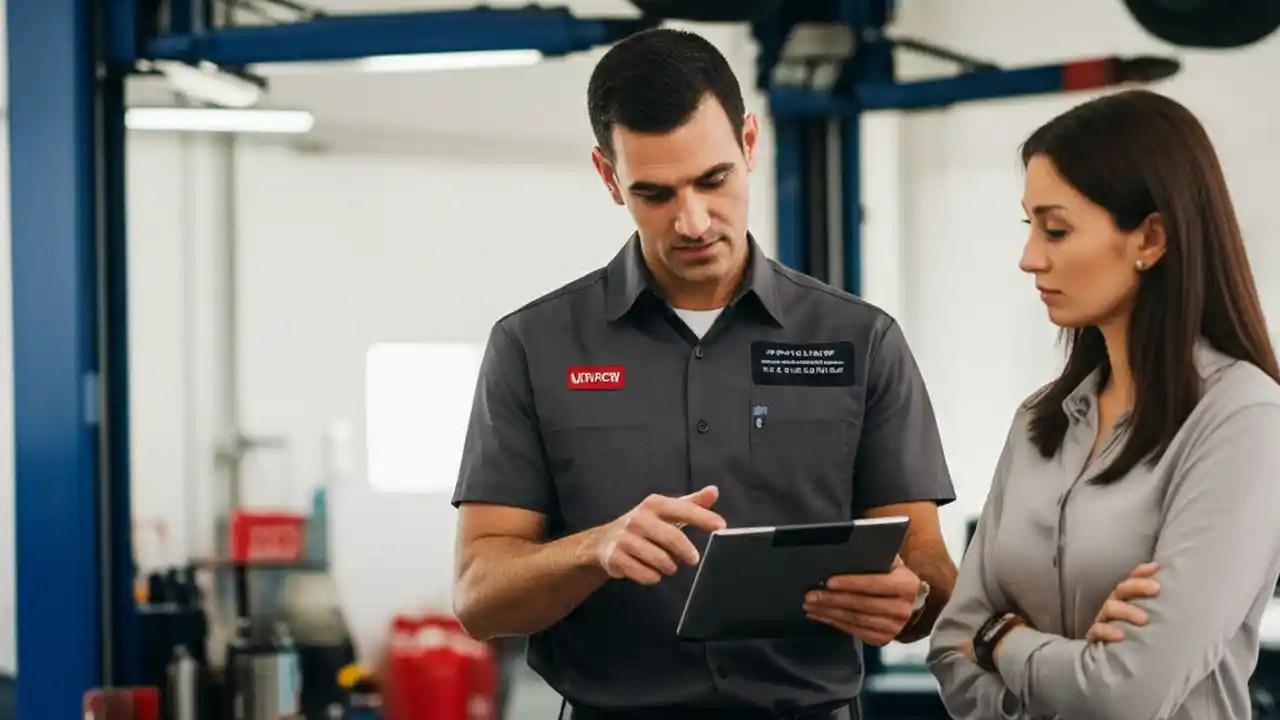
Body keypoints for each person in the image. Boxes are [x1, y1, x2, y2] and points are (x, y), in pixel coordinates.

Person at [450, 27, 958, 720]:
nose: (692, 221)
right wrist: (593, 550)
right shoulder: (533, 347)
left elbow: (930, 571)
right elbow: (479, 597)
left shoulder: (861, 341)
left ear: (749, 143)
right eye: (655, 194)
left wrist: (912, 597)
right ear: (608, 177)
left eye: (713, 180)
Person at [926, 88, 1280, 720]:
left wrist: (1001, 638)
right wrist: (1048, 660)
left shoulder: (1245, 421)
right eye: (1030, 226)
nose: (1030, 257)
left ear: (1150, 237)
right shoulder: (1040, 422)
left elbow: (1128, 694)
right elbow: (952, 651)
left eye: (1055, 229)